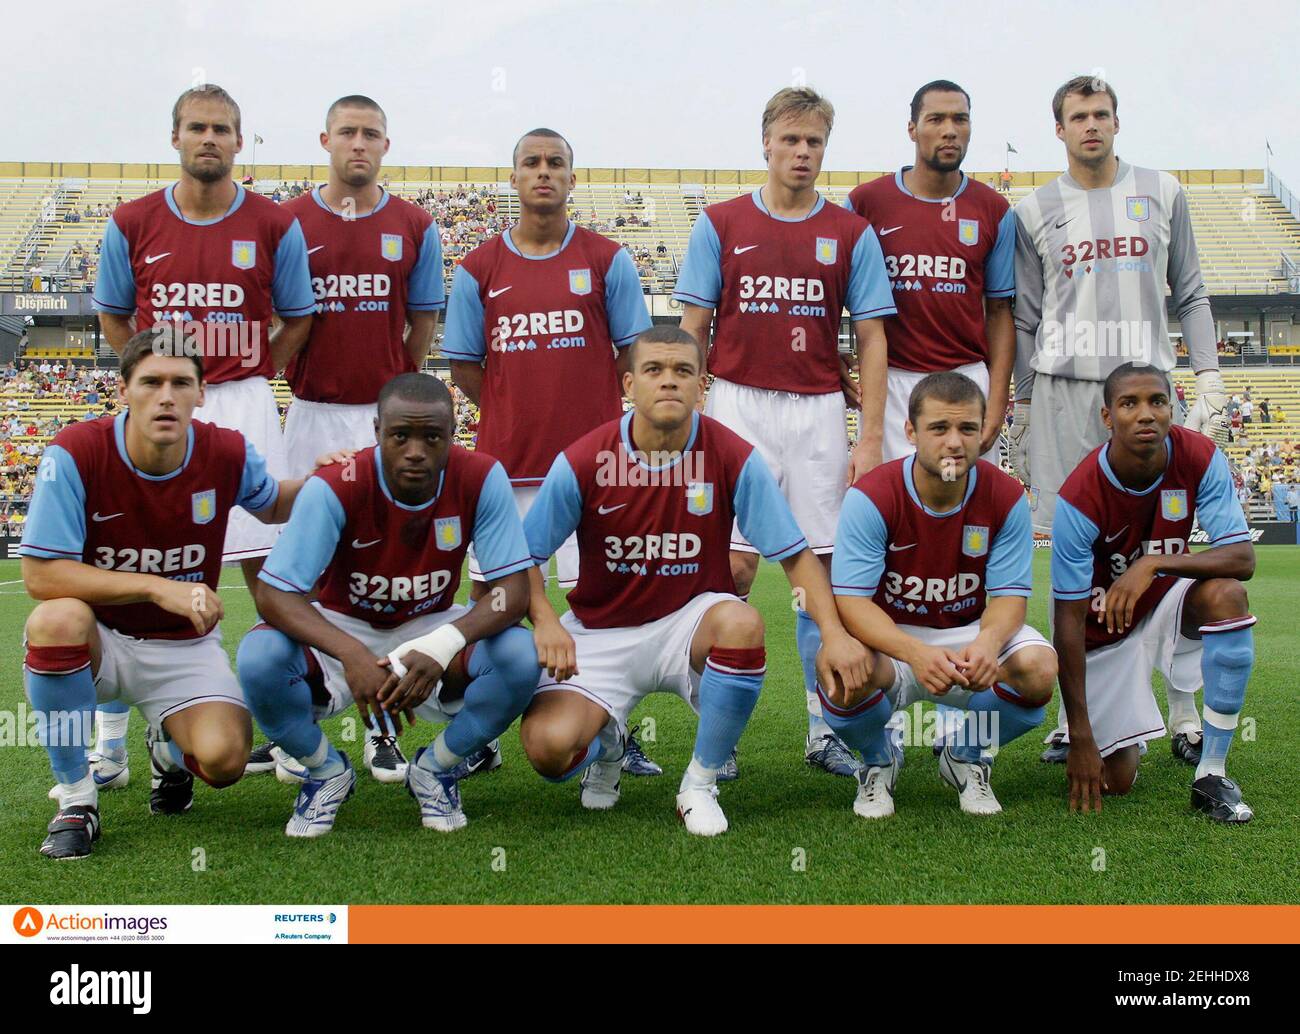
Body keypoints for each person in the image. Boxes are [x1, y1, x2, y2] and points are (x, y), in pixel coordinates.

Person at [519, 327, 871, 835]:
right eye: (654, 371)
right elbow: (525, 557)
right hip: (601, 630)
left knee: (743, 622)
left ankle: (700, 784)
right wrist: (548, 621)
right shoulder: (582, 459)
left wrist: (835, 635)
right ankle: (611, 743)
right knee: (549, 750)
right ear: (628, 385)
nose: (669, 382)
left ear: (702, 385)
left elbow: (797, 556)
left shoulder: (732, 455)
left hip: (690, 625)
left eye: (683, 371)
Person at [89, 83, 316, 785]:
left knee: (270, 574)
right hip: (160, 400)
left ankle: (285, 730)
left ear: (240, 142)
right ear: (175, 137)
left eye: (222, 128)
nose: (209, 138)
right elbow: (115, 318)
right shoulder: (131, 221)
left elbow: (299, 316)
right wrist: (156, 378)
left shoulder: (276, 225)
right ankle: (109, 741)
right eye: (197, 127)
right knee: (138, 559)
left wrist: (249, 373)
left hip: (244, 403)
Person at [20, 331, 318, 859]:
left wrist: (329, 478)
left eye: (181, 383)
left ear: (201, 393)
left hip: (182, 648)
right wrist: (157, 588)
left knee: (225, 762)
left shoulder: (224, 450)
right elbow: (41, 576)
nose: (166, 396)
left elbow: (273, 506)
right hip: (101, 639)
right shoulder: (76, 451)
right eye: (151, 382)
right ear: (122, 391)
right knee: (55, 621)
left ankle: (168, 746)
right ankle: (76, 797)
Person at [675, 86, 895, 778]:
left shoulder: (850, 233)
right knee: (732, 567)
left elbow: (871, 335)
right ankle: (720, 730)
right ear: (765, 143)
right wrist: (683, 419)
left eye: (815, 143)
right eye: (791, 140)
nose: (802, 153)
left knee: (820, 575)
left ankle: (820, 725)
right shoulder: (720, 223)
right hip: (737, 404)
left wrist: (869, 435)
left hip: (820, 409)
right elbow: (692, 331)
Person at [1009, 74, 1228, 764]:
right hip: (1066, 393)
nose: (1091, 126)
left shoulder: (1163, 192)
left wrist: (1211, 371)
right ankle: (1072, 717)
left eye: (1102, 114)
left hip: (1144, 393)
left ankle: (1184, 710)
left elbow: (1189, 290)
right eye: (1078, 116)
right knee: (1072, 555)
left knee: (1168, 542)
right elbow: (1024, 316)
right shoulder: (1034, 208)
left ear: (1117, 121)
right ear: (1059, 128)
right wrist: (1018, 399)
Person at [442, 127, 659, 778]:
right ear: (513, 178)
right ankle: (479, 732)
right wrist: (514, 412)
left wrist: (585, 426)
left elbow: (632, 357)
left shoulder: (606, 259)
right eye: (531, 162)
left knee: (605, 600)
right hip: (505, 473)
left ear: (572, 177)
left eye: (555, 163)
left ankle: (614, 729)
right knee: (496, 606)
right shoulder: (480, 268)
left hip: (595, 473)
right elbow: (466, 367)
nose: (543, 172)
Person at [238, 374, 538, 836]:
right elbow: (275, 594)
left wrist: (443, 644)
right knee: (259, 658)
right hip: (343, 627)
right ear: (377, 430)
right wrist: (353, 655)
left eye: (432, 436)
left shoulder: (480, 475)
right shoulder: (337, 483)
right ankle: (324, 772)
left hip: (433, 623)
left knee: (521, 655)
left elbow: (511, 592)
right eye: (400, 435)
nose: (415, 450)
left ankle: (436, 769)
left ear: (453, 431)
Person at [257, 94, 445, 783]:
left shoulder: (416, 224)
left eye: (371, 134)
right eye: (347, 133)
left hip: (384, 419)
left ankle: (383, 727)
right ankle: (299, 726)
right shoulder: (288, 222)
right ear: (324, 140)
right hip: (309, 411)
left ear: (385, 146)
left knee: (386, 572)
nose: (358, 145)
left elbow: (420, 326)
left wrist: (397, 388)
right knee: (306, 572)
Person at [824, 372, 1056, 816]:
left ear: (985, 432)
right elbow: (851, 603)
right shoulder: (872, 495)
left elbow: (1010, 596)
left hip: (966, 634)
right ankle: (878, 761)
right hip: (890, 640)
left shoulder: (1005, 496)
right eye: (939, 428)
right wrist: (913, 652)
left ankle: (964, 756)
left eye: (968, 428)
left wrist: (988, 643)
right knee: (838, 673)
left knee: (1038, 669)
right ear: (910, 432)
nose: (954, 442)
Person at [1051, 363, 1256, 822]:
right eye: (1129, 404)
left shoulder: (1200, 456)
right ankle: (1090, 734)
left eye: (1157, 402)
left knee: (1226, 597)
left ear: (1172, 409)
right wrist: (1081, 733)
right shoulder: (1080, 496)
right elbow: (1066, 621)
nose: (1145, 414)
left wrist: (1154, 562)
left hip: (1164, 603)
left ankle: (1212, 773)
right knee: (1115, 782)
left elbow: (1242, 559)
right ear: (1108, 417)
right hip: (1106, 629)